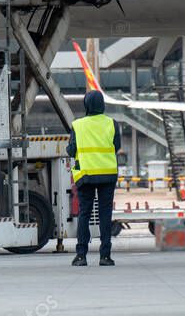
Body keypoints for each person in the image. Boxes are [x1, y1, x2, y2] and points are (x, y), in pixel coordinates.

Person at [67, 90, 120, 266]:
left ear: (86, 104)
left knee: (85, 214)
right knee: (105, 215)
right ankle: (105, 256)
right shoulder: (112, 124)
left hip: (86, 176)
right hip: (107, 175)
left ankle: (81, 255)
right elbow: (116, 146)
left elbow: (71, 150)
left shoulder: (78, 125)